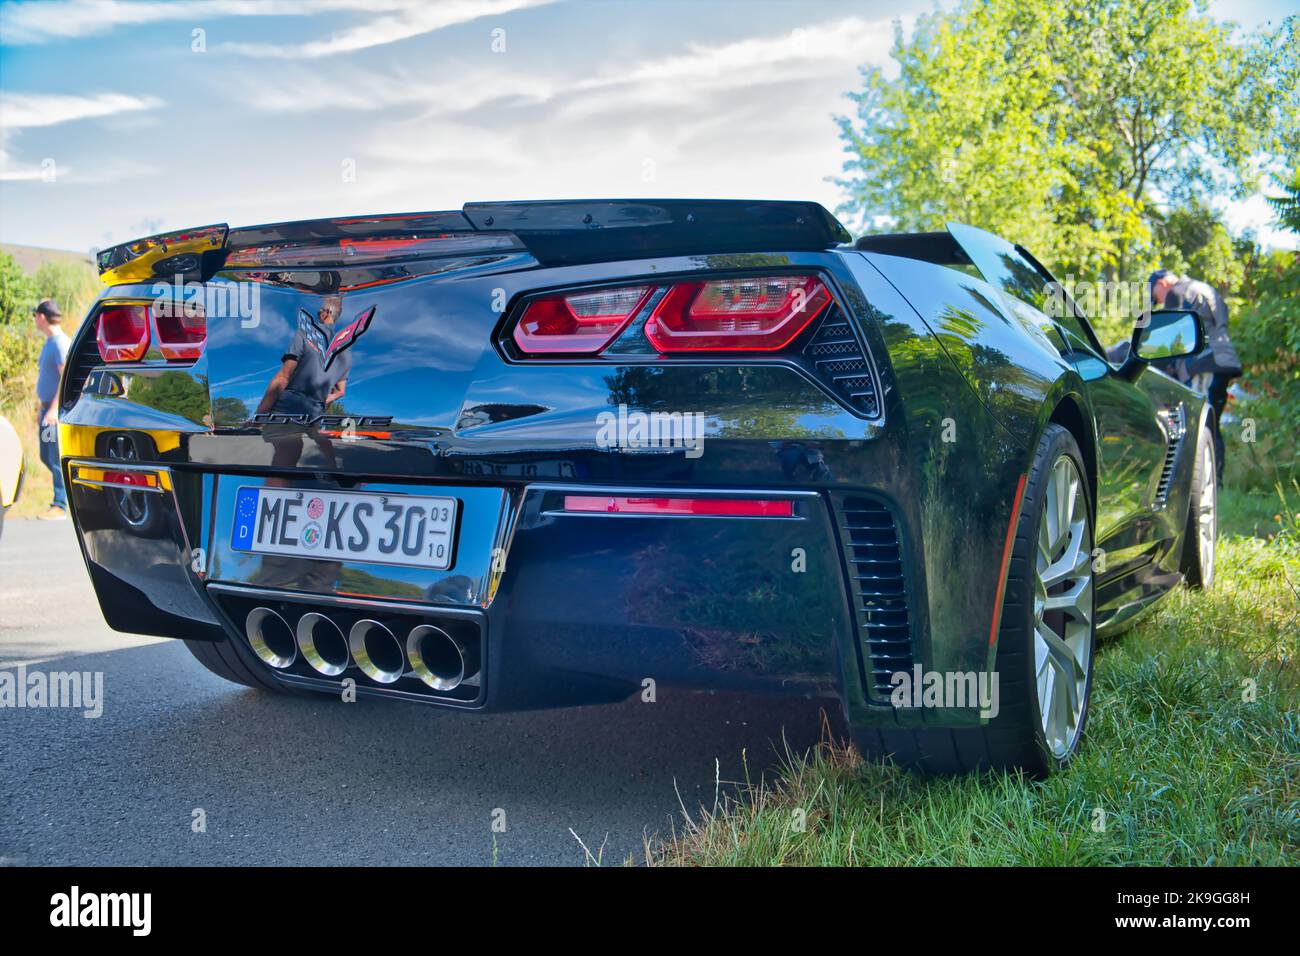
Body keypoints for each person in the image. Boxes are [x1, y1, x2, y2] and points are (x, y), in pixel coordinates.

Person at [1149, 270, 1242, 485]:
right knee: (1211, 424)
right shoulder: (1205, 288)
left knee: (1197, 422)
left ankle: (1201, 483)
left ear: (1162, 283)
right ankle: (1213, 482)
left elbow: (1173, 337)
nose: (1160, 302)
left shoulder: (1178, 292)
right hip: (1222, 360)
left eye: (1156, 296)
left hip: (1204, 363)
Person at [32, 298, 71, 519]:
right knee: (45, 456)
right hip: (45, 410)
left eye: (35, 316)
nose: (34, 320)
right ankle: (64, 498)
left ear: (42, 317)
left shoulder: (59, 343)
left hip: (53, 414)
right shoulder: (50, 342)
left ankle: (60, 505)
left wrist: (54, 409)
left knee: (54, 457)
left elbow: (64, 377)